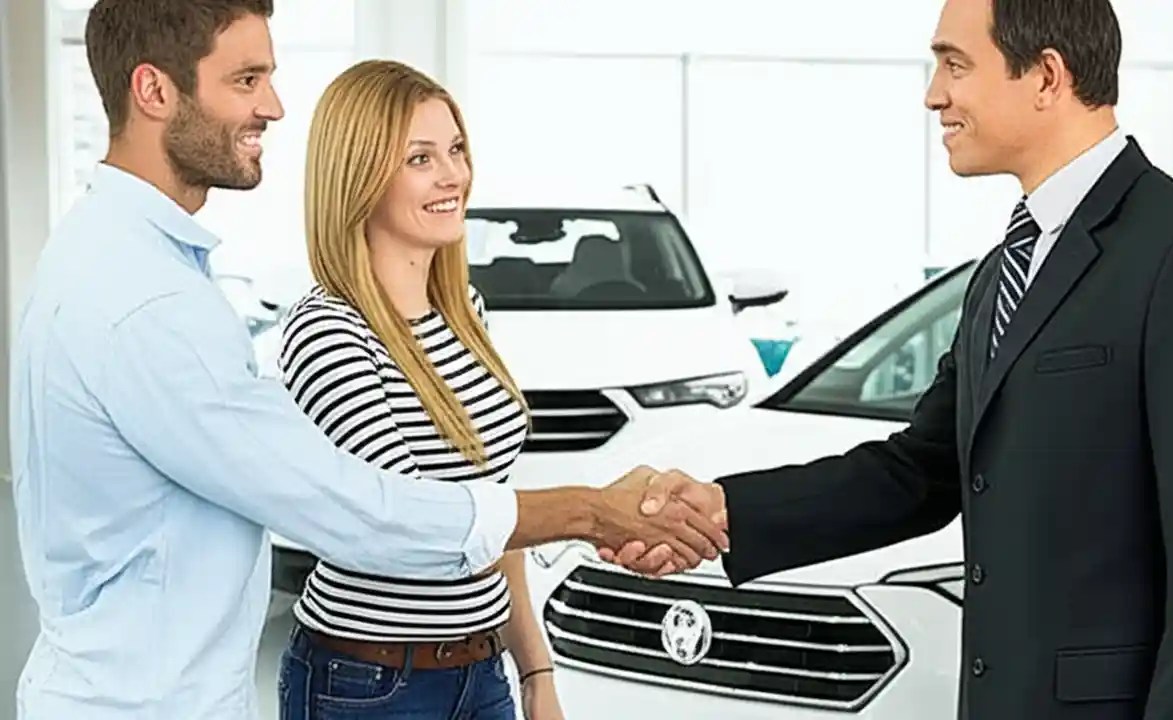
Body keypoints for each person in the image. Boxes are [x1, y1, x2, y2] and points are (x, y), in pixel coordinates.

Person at [7, 2, 725, 719]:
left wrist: (534, 665)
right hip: (224, 697)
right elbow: (367, 516)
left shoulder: (130, 266)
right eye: (247, 80)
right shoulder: (148, 302)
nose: (275, 106)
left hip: (207, 690)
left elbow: (475, 490)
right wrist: (593, 512)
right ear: (155, 91)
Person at [605, 0, 1173, 718]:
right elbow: (919, 472)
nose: (934, 94)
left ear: (1047, 76)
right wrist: (724, 509)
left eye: (955, 64)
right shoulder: (1001, 273)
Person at [273, 59, 561, 720]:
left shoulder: (465, 312)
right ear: (360, 177)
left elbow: (493, 510)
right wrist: (591, 512)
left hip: (482, 673)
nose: (453, 175)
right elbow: (414, 525)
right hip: (369, 684)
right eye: (421, 158)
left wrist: (534, 669)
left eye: (456, 149)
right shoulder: (327, 330)